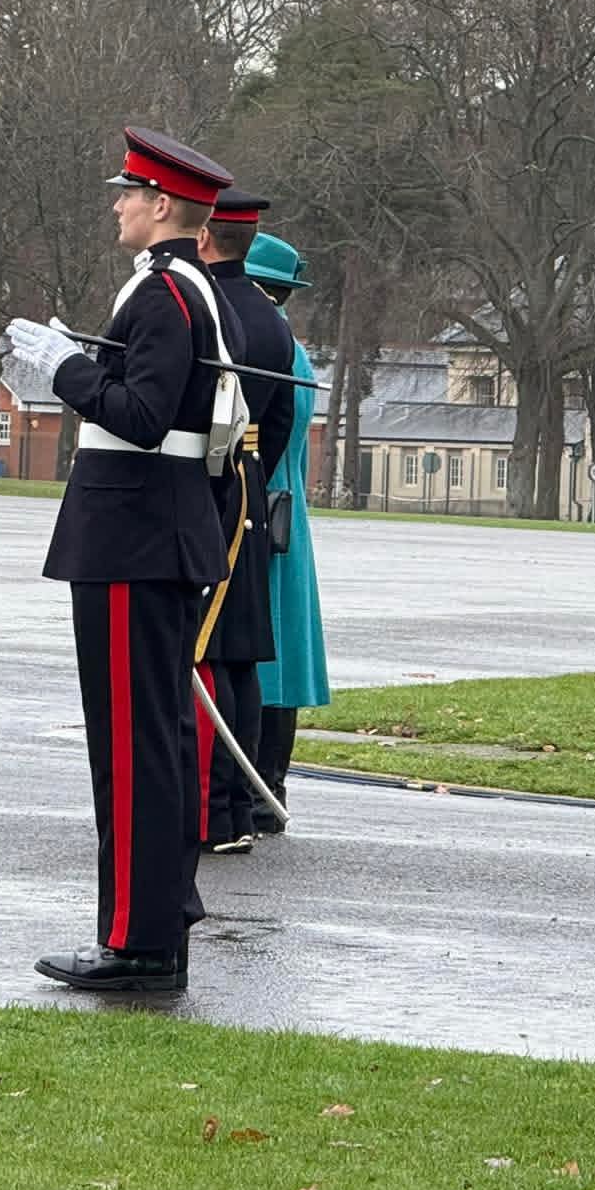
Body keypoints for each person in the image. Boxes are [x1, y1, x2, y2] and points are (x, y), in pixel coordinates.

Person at [3, 127, 236, 993]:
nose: (119, 206)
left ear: (162, 204)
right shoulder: (178, 286)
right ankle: (153, 924)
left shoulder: (166, 291)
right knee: (151, 737)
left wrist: (66, 369)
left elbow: (141, 418)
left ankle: (138, 939)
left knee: (133, 744)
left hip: (133, 534)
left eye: (129, 194)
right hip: (145, 533)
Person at [193, 189, 295, 855]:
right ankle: (237, 807)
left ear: (204, 235)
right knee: (239, 657)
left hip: (209, 486)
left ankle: (213, 809)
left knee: (205, 653)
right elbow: (277, 423)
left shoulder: (203, 306)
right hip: (250, 483)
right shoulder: (270, 318)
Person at [243, 232, 331, 833]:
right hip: (287, 512)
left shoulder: (262, 347)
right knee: (284, 652)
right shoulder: (293, 349)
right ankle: (270, 784)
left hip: (260, 508)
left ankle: (255, 789)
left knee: (259, 652)